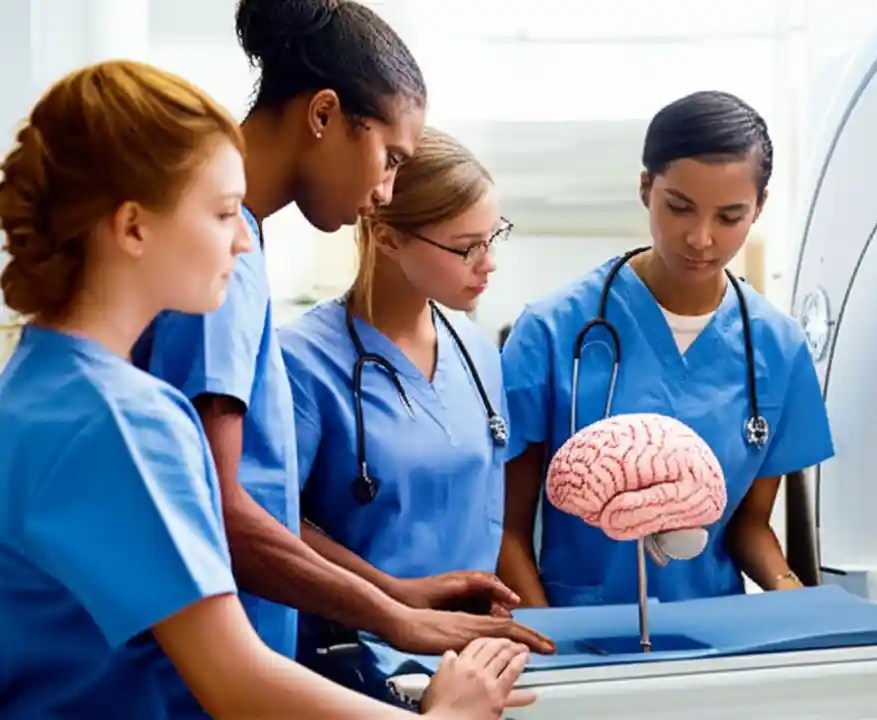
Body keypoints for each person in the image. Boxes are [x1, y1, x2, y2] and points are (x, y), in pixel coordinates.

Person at [0, 58, 531, 720]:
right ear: (133, 227)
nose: (243, 246)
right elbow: (236, 682)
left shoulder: (34, 388)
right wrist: (446, 716)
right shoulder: (125, 419)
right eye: (224, 213)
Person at [131, 0, 542, 677]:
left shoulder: (235, 243)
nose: (385, 192)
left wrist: (396, 595)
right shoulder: (217, 257)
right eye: (389, 159)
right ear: (323, 115)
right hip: (194, 674)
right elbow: (219, 510)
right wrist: (395, 616)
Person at [498, 90, 836, 608]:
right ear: (645, 188)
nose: (701, 238)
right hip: (577, 628)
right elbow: (506, 529)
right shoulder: (551, 331)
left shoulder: (778, 348)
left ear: (759, 208)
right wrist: (551, 640)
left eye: (729, 217)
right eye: (679, 207)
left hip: (714, 630)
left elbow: (750, 526)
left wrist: (792, 598)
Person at [280, 127, 553, 684]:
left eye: (493, 237)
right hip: (353, 663)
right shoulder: (302, 362)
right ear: (386, 237)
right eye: (466, 246)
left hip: (475, 663)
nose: (489, 263)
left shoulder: (478, 354)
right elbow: (272, 526)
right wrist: (392, 597)